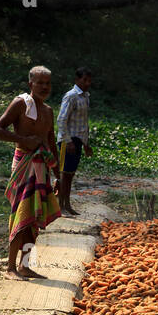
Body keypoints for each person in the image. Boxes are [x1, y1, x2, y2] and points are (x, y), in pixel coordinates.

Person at [0, 65, 61, 281]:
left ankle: (25, 265)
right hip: (23, 165)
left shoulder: (48, 111)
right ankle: (11, 267)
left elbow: (51, 143)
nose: (44, 87)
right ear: (30, 84)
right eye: (40, 83)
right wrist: (23, 140)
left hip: (41, 167)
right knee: (21, 214)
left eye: (47, 83)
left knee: (33, 218)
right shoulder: (21, 103)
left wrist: (57, 174)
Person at [56, 68, 93, 217]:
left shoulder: (85, 97)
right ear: (77, 80)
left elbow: (83, 123)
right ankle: (60, 207)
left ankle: (67, 204)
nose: (87, 83)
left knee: (70, 175)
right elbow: (61, 119)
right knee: (64, 174)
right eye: (84, 80)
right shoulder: (71, 96)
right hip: (68, 141)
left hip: (78, 140)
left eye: (89, 80)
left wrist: (86, 144)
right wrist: (67, 140)